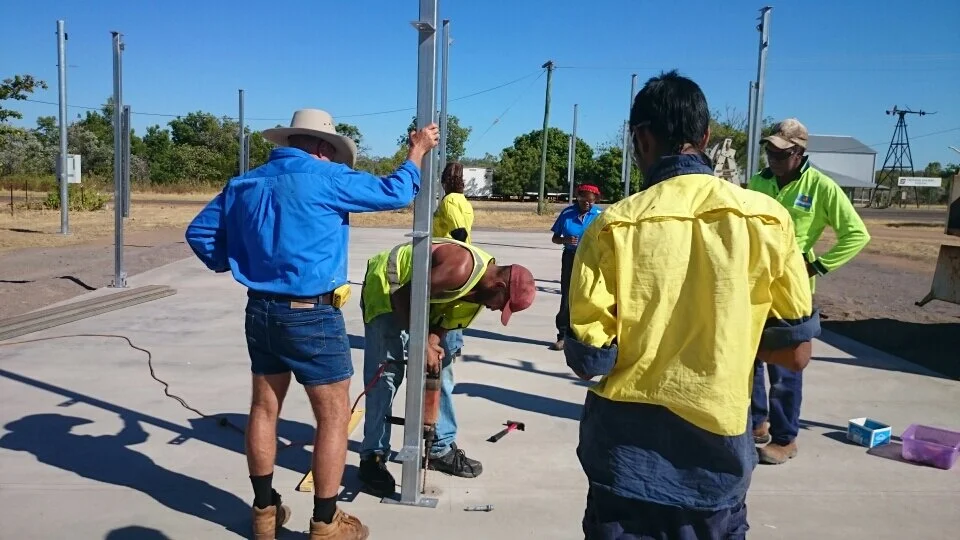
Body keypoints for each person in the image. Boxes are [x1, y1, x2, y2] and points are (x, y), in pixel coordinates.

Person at [564, 71, 820, 539]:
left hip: (625, 461)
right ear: (704, 137)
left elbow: (590, 361)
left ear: (640, 138)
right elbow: (795, 354)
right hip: (716, 464)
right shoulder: (768, 221)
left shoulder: (611, 227)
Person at [185, 108, 439, 540]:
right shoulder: (327, 177)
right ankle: (325, 521)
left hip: (260, 310)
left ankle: (264, 513)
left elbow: (200, 234)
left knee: (264, 409)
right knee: (334, 418)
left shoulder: (245, 182)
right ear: (323, 148)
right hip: (311, 314)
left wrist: (244, 264)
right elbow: (395, 192)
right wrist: (416, 151)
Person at [357, 237, 536, 496]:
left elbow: (448, 320)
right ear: (498, 285)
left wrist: (432, 341)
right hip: (388, 288)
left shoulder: (480, 296)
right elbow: (405, 295)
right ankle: (372, 457)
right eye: (502, 304)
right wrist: (421, 342)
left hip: (420, 298)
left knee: (441, 368)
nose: (497, 309)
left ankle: (439, 448)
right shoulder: (460, 267)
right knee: (386, 375)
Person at [748, 118, 870, 465]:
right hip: (756, 284)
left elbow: (856, 234)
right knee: (752, 357)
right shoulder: (758, 182)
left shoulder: (821, 187)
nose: (772, 156)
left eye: (781, 152)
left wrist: (818, 266)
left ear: (799, 153)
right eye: (769, 149)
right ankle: (757, 423)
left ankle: (786, 439)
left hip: (791, 291)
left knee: (786, 365)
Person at [549, 184, 602, 351]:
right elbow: (555, 238)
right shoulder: (567, 213)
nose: (588, 204)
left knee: (589, 296)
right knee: (568, 296)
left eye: (592, 201)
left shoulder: (599, 215)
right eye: (585, 200)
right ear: (578, 198)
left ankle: (588, 336)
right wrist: (565, 240)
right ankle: (563, 336)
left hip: (592, 259)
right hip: (571, 258)